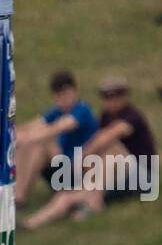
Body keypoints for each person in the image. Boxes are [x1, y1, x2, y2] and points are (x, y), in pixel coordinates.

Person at [22, 78, 158, 228]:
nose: (112, 100)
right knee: (69, 195)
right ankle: (31, 223)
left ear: (125, 96)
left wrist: (81, 158)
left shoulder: (131, 116)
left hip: (141, 176)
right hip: (116, 172)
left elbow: (109, 135)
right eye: (107, 96)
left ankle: (92, 202)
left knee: (110, 149)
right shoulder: (106, 116)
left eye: (117, 95)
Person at [13, 70, 99, 207]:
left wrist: (26, 138)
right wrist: (18, 135)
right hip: (62, 170)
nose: (63, 98)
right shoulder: (57, 111)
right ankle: (16, 192)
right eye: (59, 95)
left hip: (81, 172)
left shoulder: (82, 110)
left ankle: (19, 196)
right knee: (27, 142)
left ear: (75, 92)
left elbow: (60, 127)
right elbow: (35, 124)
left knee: (40, 143)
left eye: (66, 93)